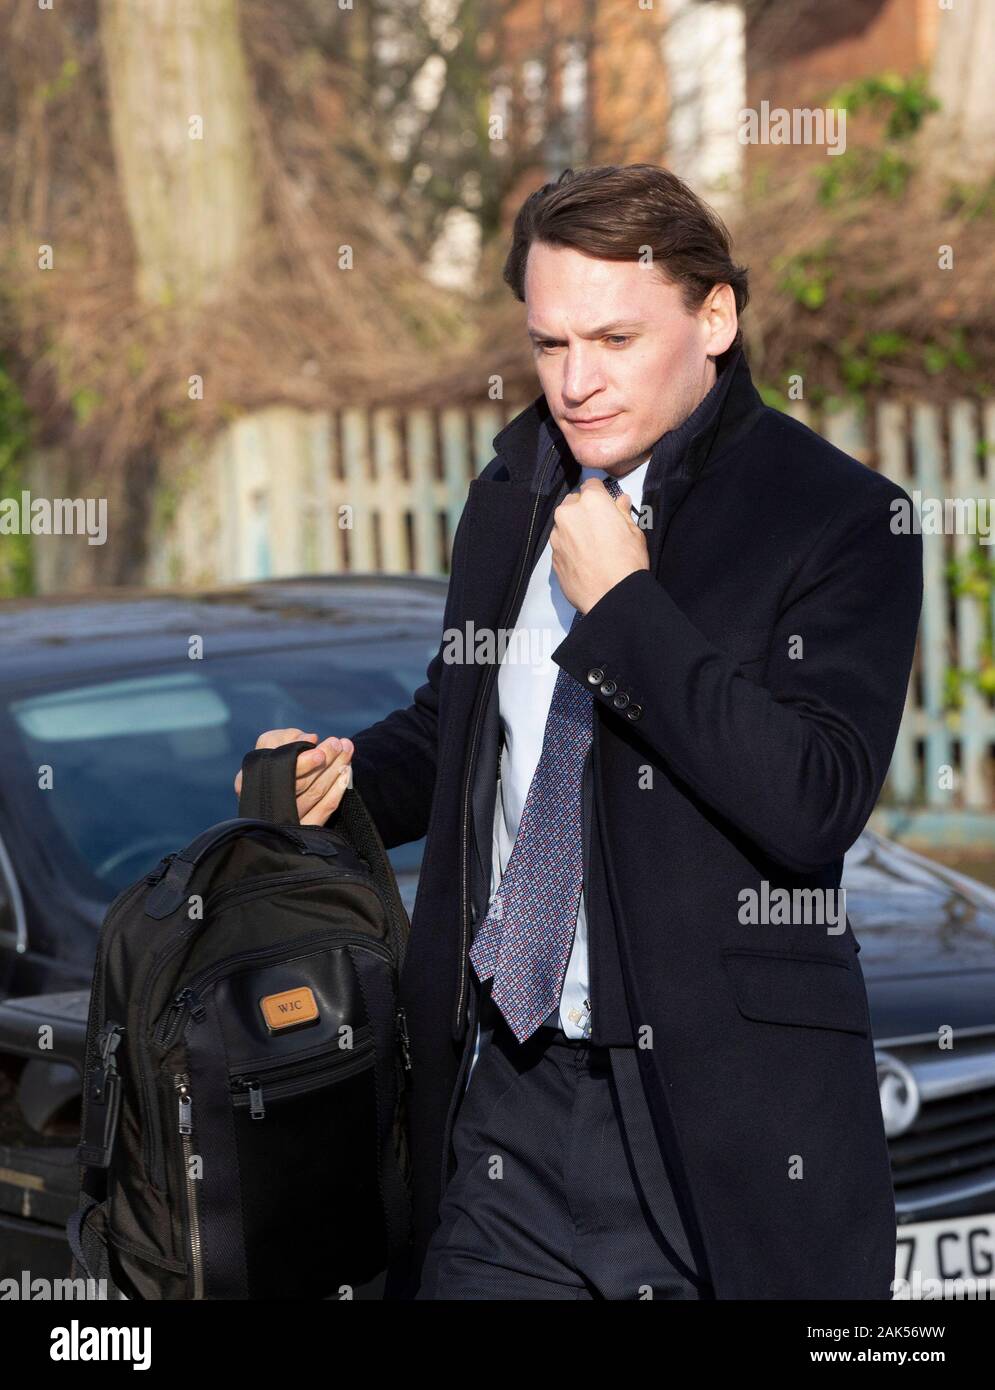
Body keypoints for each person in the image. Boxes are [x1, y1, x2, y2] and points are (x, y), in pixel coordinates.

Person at [237, 164, 923, 1300]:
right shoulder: (513, 488)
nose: (575, 381)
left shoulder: (836, 518)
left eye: (612, 338)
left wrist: (627, 610)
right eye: (550, 344)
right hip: (502, 1097)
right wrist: (343, 776)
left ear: (715, 317)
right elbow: (462, 731)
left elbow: (812, 797)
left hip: (715, 1122)